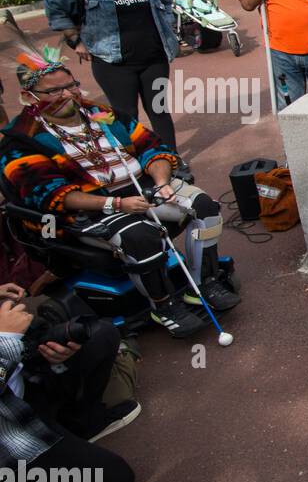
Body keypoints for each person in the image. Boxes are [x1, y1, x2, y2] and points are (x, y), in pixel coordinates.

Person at [1, 50, 239, 337]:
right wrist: (117, 203)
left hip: (142, 187)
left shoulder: (100, 113)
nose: (67, 95)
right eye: (53, 91)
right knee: (141, 236)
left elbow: (152, 145)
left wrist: (162, 181)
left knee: (205, 207)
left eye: (71, 85)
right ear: (30, 97)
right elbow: (52, 197)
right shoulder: (21, 139)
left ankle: (203, 282)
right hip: (88, 210)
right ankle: (162, 306)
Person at [0, 299, 135, 482]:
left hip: (20, 393)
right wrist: (5, 339)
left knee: (101, 335)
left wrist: (51, 353)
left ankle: (80, 423)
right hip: (8, 433)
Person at [44, 0, 181, 151]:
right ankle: (137, 160)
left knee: (159, 110)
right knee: (126, 114)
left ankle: (172, 158)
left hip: (154, 59)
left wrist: (167, 24)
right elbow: (55, 7)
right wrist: (75, 40)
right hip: (113, 64)